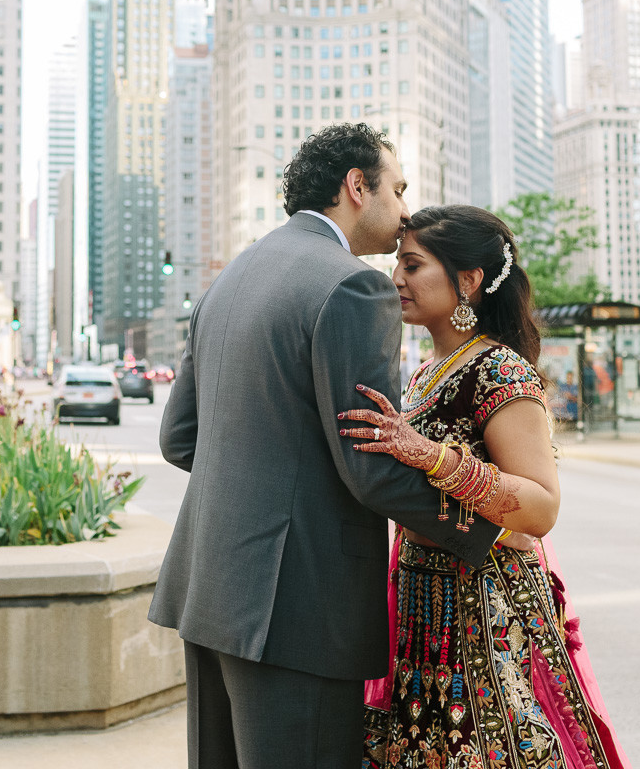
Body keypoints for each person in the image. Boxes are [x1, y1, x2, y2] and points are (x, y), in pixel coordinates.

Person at [150, 125, 501, 769]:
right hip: (299, 605)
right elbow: (367, 467)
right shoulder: (352, 287)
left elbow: (180, 439)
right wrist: (487, 527)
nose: (404, 216)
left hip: (209, 589)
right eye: (397, 191)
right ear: (355, 187)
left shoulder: (231, 277)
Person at [338, 205, 628, 769]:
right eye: (399, 262)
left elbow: (541, 508)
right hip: (425, 603)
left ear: (468, 281)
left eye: (414, 264)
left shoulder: (501, 371)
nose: (397, 277)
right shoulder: (430, 370)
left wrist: (429, 455)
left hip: (488, 611)